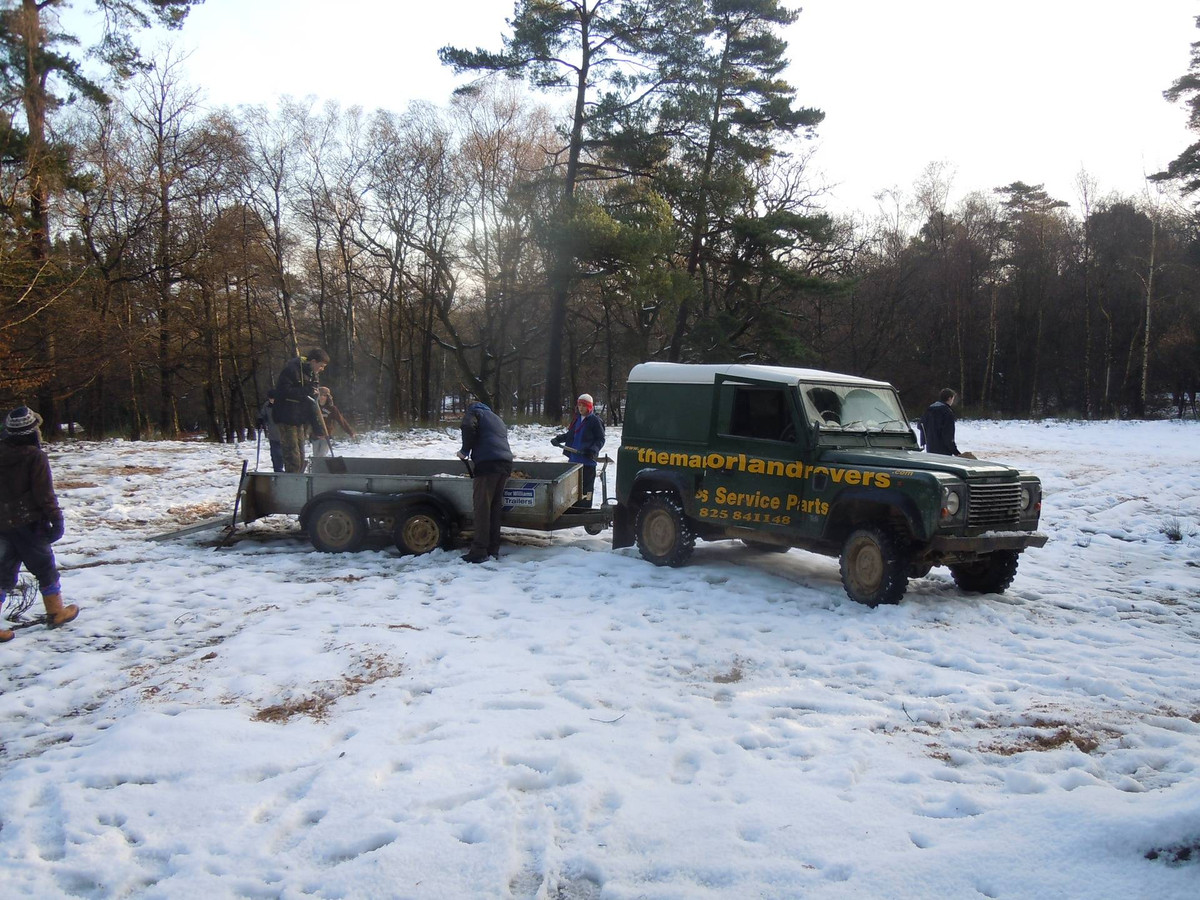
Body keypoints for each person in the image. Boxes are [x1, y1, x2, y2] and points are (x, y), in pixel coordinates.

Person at [0, 406, 79, 641]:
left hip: (2, 524)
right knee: (45, 568)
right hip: (29, 523)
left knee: (2, 574)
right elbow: (44, 493)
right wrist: (57, 519)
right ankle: (56, 612)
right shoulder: (35, 456)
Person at [457, 399, 513, 563]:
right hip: (505, 464)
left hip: (487, 464)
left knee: (482, 508)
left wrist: (464, 451)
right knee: (494, 508)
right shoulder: (496, 418)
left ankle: (479, 551)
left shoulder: (475, 413)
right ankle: (493, 549)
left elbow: (467, 427)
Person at [273, 348, 329, 473]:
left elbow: (312, 403)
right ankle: (292, 483)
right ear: (313, 361)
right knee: (293, 455)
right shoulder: (291, 370)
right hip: (286, 416)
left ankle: (299, 479)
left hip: (300, 418)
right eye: (321, 366)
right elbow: (283, 392)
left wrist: (317, 427)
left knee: (301, 454)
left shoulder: (313, 375)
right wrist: (306, 391)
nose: (322, 369)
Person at [551, 393, 606, 508]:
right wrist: (558, 439)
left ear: (589, 407)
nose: (581, 408)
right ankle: (573, 509)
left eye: (584, 406)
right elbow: (570, 435)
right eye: (579, 405)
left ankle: (585, 509)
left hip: (587, 462)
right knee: (572, 488)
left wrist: (593, 450)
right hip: (574, 461)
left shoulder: (595, 421)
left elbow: (600, 439)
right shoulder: (577, 419)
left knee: (586, 489)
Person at [310, 386, 356, 459]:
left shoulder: (332, 409)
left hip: (326, 436)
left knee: (321, 456)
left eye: (324, 396)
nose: (322, 397)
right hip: (315, 436)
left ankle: (322, 469)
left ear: (327, 397)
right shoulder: (313, 407)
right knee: (316, 456)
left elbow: (341, 421)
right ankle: (316, 468)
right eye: (320, 395)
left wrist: (350, 432)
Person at [919, 388, 963, 456]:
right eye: (953, 399)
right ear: (949, 398)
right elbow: (947, 434)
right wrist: (955, 451)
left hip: (930, 448)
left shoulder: (929, 410)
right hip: (943, 451)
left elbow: (920, 426)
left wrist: (924, 442)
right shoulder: (947, 412)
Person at [257, 390, 284, 473]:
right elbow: (262, 414)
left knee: (282, 454)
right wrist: (260, 420)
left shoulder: (283, 405)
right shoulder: (267, 405)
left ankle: (288, 471)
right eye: (270, 399)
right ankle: (277, 470)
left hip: (284, 434)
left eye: (273, 398)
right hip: (273, 434)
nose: (272, 400)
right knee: (275, 454)